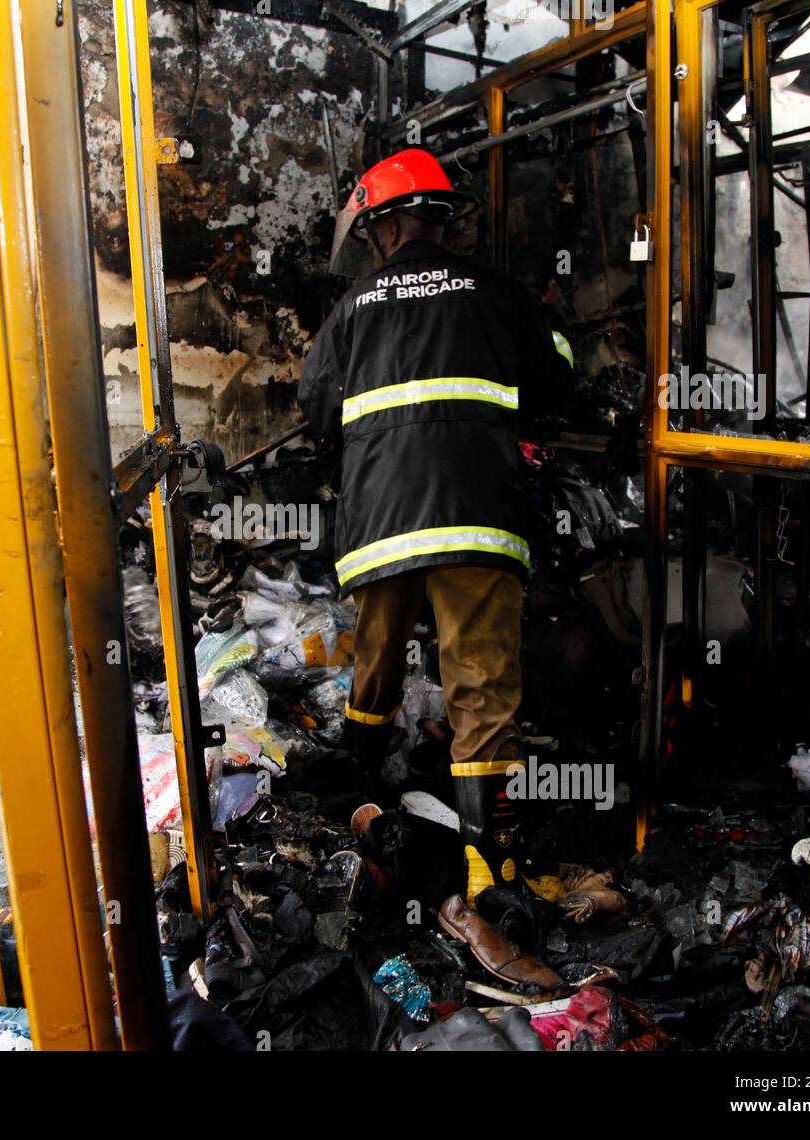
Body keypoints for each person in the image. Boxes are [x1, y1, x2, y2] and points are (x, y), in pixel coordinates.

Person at [298, 148, 574, 994]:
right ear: (440, 219)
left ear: (380, 225)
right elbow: (555, 386)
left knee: (376, 651)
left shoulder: (352, 308)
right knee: (481, 682)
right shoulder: (496, 291)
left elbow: (314, 409)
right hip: (479, 514)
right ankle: (489, 872)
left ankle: (358, 774)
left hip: (382, 524)